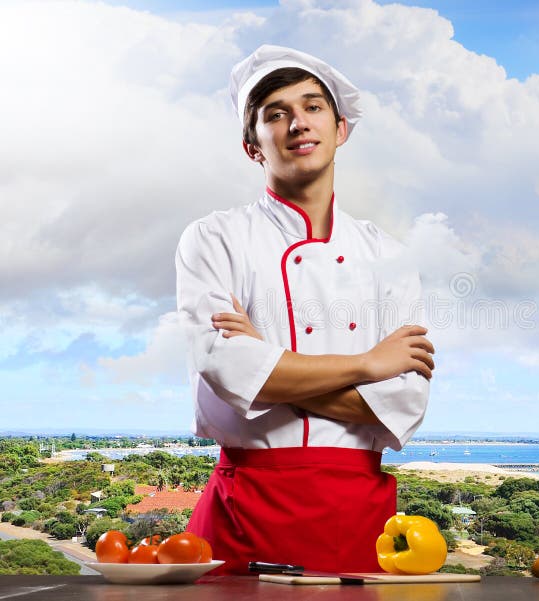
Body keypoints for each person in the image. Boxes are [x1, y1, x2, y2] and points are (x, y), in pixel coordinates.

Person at [175, 45, 435, 575]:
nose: (298, 123)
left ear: (341, 129)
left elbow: (404, 402)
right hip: (244, 513)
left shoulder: (390, 256)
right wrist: (368, 364)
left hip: (360, 518)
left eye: (313, 107)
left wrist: (268, 368)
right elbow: (225, 369)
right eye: (276, 114)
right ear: (252, 146)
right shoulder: (213, 238)